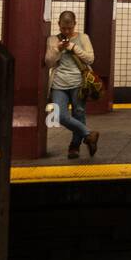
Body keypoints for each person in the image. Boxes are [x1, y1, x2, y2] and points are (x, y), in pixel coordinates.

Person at [44, 11, 99, 159]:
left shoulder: (83, 38)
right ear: (59, 25)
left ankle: (74, 147)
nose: (66, 31)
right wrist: (58, 50)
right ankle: (88, 134)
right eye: (63, 28)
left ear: (75, 24)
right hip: (58, 84)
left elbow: (90, 59)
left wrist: (73, 47)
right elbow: (48, 62)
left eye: (69, 28)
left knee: (79, 113)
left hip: (78, 83)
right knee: (59, 115)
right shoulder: (53, 40)